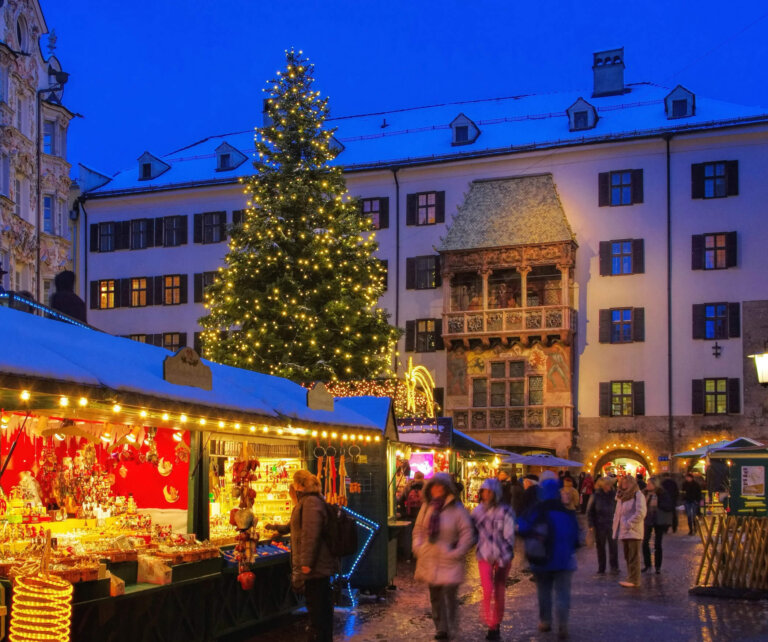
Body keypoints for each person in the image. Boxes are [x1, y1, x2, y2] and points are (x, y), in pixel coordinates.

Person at [267, 470, 336, 641]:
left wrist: (306, 563)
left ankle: (319, 638)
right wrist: (277, 528)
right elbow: (295, 525)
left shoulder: (311, 502)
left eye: (294, 483)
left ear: (300, 485)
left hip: (316, 567)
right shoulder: (308, 501)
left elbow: (310, 535)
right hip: (317, 566)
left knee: (318, 609)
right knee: (318, 608)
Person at [413, 473, 475, 641]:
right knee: (435, 596)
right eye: (434, 485)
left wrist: (458, 551)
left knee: (449, 596)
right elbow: (418, 529)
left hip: (449, 559)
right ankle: (441, 628)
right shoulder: (427, 506)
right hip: (430, 558)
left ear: (447, 488)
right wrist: (418, 548)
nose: (437, 489)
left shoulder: (457, 508)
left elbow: (467, 532)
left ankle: (452, 626)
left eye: (441, 486)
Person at [517, 478, 580, 640]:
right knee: (563, 593)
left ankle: (545, 621)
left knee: (543, 591)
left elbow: (522, 527)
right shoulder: (566, 512)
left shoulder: (536, 511)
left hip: (542, 559)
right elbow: (576, 535)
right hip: (564, 560)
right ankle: (563, 624)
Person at [471, 478, 516, 641]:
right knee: (487, 588)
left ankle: (495, 624)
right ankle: (489, 618)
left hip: (502, 555)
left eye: (489, 491)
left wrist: (505, 554)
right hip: (484, 554)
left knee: (499, 590)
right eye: (484, 491)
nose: (486, 494)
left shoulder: (505, 511)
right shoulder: (477, 512)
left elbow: (509, 535)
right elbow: (472, 532)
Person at [613, 475, 647, 588]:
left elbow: (641, 512)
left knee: (634, 555)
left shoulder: (638, 495)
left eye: (626, 482)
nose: (624, 484)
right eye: (623, 482)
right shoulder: (621, 496)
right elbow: (618, 513)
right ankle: (630, 576)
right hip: (624, 530)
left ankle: (635, 580)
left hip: (633, 530)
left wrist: (629, 523)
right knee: (627, 555)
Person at [586, 476, 619, 575]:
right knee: (600, 547)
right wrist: (591, 524)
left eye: (610, 484)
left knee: (613, 547)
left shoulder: (614, 495)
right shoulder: (596, 495)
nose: (609, 486)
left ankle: (614, 566)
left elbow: (619, 509)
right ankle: (602, 567)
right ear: (603, 485)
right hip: (600, 525)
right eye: (607, 484)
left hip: (612, 524)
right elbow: (590, 511)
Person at [642, 477, 674, 574]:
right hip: (647, 520)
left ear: (655, 484)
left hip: (659, 520)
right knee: (644, 543)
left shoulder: (662, 493)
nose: (647, 485)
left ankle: (657, 566)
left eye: (649, 484)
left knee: (658, 544)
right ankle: (647, 565)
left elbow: (668, 506)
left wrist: (658, 503)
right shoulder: (644, 493)